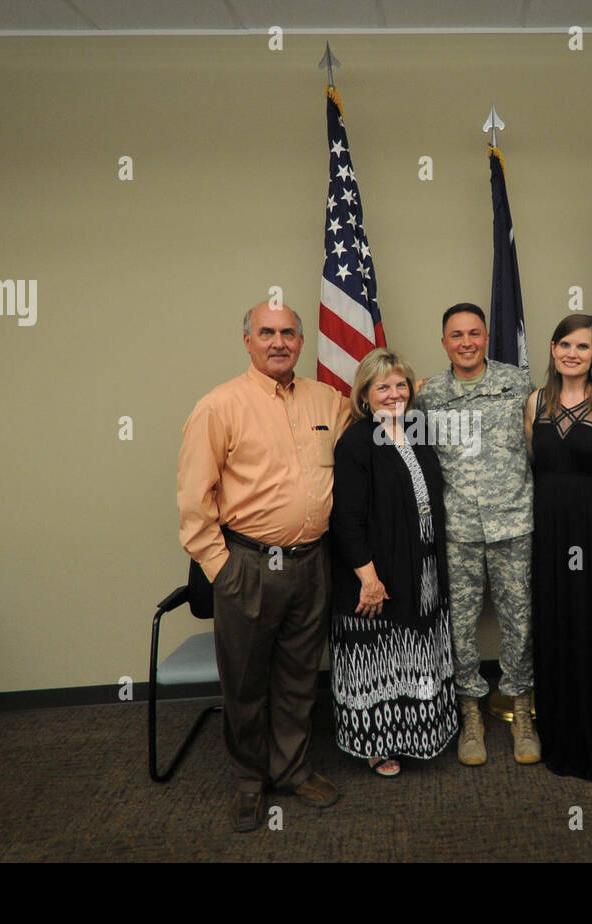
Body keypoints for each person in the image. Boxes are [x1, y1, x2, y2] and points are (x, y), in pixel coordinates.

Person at [176, 301, 350, 832]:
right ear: (248, 341)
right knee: (246, 685)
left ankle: (293, 770)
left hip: (312, 564)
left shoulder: (329, 400)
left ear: (301, 342)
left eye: (289, 334)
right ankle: (251, 781)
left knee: (299, 679)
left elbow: (378, 429)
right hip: (247, 567)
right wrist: (221, 569)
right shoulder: (219, 406)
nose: (279, 342)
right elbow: (192, 500)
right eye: (267, 333)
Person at [416, 303, 539, 766]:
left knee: (519, 622)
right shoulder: (428, 396)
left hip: (513, 523)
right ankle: (469, 714)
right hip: (460, 530)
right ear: (444, 341)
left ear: (487, 337)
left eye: (474, 333)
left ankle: (521, 712)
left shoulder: (516, 383)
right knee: (461, 628)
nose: (466, 342)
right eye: (456, 335)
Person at [329, 349, 458, 777]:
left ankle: (419, 733)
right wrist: (368, 578)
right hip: (376, 572)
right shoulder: (355, 442)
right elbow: (346, 518)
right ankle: (379, 743)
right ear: (364, 394)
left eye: (401, 384)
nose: (394, 393)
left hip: (421, 565)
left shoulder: (416, 433)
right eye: (382, 386)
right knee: (382, 660)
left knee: (416, 652)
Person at [524, 313, 592, 781]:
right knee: (556, 628)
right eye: (564, 344)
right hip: (548, 534)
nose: (572, 353)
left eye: (582, 346)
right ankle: (560, 736)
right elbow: (536, 467)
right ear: (552, 349)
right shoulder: (534, 404)